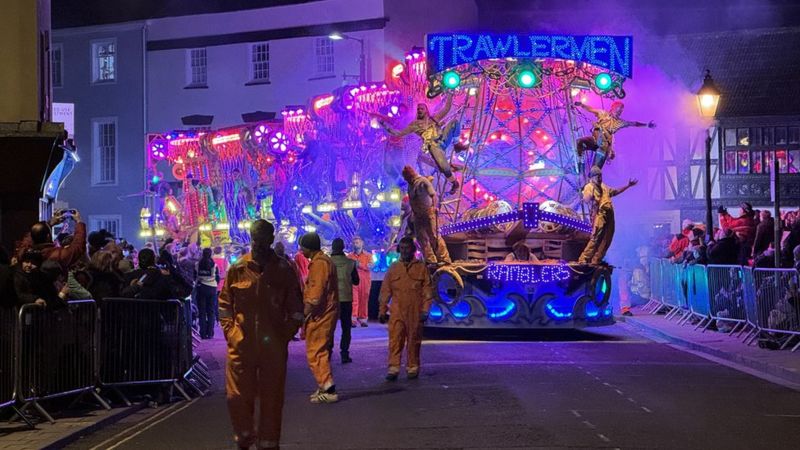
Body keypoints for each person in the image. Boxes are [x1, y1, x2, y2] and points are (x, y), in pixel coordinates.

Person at [218, 220, 303, 450]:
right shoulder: (237, 269)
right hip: (241, 345)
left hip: (272, 347)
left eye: (265, 239)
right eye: (256, 239)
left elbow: (296, 308)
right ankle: (244, 438)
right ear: (251, 239)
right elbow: (225, 305)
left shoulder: (284, 270)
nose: (260, 244)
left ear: (271, 239)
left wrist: (284, 335)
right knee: (236, 396)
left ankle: (268, 443)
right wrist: (231, 332)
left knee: (272, 398)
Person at [375, 93, 466, 195]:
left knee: (454, 122)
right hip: (432, 146)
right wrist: (385, 126)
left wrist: (450, 93)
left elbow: (446, 108)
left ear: (426, 110)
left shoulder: (433, 118)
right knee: (440, 164)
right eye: (418, 109)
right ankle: (453, 180)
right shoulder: (414, 125)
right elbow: (398, 133)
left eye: (421, 108)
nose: (419, 110)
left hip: (442, 139)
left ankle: (457, 145)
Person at [378, 237, 433, 381]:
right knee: (395, 339)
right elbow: (385, 291)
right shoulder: (394, 268)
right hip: (397, 310)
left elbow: (427, 291)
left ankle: (412, 367)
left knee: (414, 340)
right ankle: (393, 368)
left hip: (415, 310)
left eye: (407, 248)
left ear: (413, 250)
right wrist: (382, 310)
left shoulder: (421, 268)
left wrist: (426, 310)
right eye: (402, 248)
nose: (404, 251)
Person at [299, 232, 339, 403]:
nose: (301, 250)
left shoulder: (319, 265)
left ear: (308, 248)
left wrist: (305, 313)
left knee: (316, 351)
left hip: (320, 315)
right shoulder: (322, 262)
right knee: (321, 350)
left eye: (302, 247)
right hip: (324, 313)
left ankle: (328, 388)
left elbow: (316, 293)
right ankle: (324, 385)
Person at [574, 100, 656, 172]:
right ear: (613, 107)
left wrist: (646, 125)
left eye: (621, 110)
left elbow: (634, 123)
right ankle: (580, 160)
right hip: (595, 140)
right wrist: (582, 105)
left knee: (595, 172)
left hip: (604, 147)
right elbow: (590, 109)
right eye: (618, 109)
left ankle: (589, 185)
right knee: (580, 141)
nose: (619, 111)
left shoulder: (620, 122)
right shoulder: (602, 113)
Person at [578, 167, 637, 265]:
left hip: (610, 214)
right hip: (600, 213)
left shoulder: (603, 186)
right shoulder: (590, 186)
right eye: (597, 176)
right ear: (592, 178)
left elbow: (615, 191)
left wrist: (628, 186)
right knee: (596, 237)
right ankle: (583, 259)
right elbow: (586, 199)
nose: (600, 178)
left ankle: (596, 259)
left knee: (608, 238)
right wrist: (585, 196)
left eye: (600, 176)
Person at [402, 165, 451, 266]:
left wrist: (435, 207)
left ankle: (444, 258)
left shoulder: (423, 181)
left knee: (434, 236)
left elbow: (433, 195)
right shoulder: (410, 185)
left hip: (428, 212)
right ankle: (430, 260)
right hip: (417, 215)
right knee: (421, 238)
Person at [330, 238, 359, 363]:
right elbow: (356, 281)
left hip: (331, 300)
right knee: (346, 328)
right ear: (343, 247)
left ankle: (328, 353)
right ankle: (344, 354)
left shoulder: (327, 262)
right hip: (346, 299)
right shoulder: (350, 263)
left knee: (329, 328)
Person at [195, 248, 220, 339]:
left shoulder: (197, 264)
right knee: (211, 311)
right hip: (212, 288)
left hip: (201, 288)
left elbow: (195, 276)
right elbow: (218, 277)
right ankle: (210, 333)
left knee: (202, 312)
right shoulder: (214, 265)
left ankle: (202, 333)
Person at [348, 236, 372, 327]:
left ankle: (363, 319)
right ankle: (353, 319)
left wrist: (360, 265)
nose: (355, 244)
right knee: (354, 300)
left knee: (364, 299)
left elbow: (371, 266)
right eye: (354, 243)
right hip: (353, 281)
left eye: (357, 242)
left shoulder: (368, 255)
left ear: (362, 243)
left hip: (365, 280)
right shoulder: (350, 256)